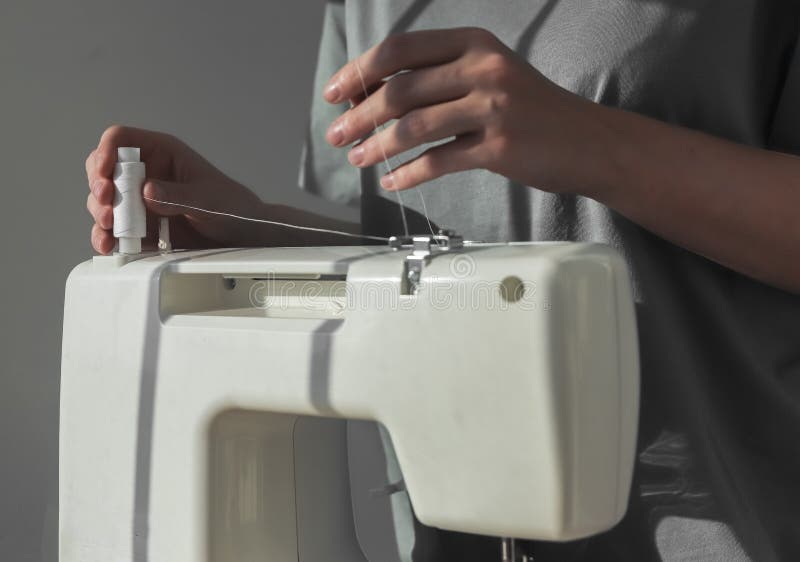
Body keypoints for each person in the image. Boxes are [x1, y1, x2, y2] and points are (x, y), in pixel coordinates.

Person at [85, 1, 800, 560]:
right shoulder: (368, 6)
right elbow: (414, 254)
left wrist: (593, 142)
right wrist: (247, 231)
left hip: (726, 534)